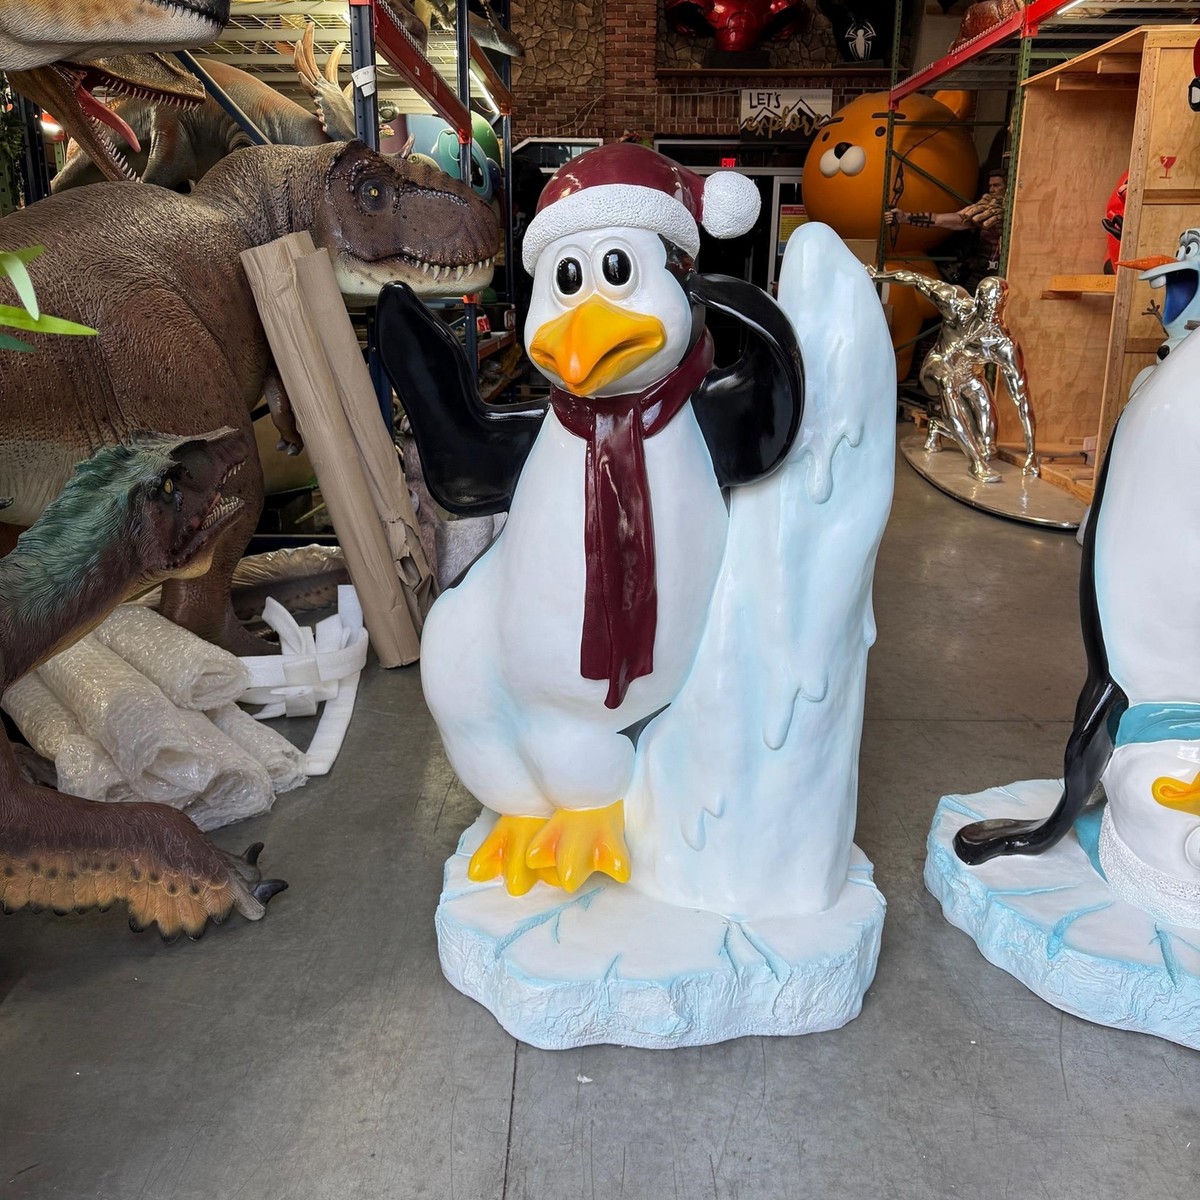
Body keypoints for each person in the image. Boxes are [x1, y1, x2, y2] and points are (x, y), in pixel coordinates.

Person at [866, 265, 1037, 483]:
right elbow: (916, 280)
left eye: (996, 301)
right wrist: (878, 275)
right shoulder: (954, 302)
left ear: (1003, 303)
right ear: (978, 297)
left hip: (969, 377)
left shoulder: (1003, 344)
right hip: (938, 365)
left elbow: (1022, 397)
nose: (990, 306)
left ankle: (939, 427)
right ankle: (976, 464)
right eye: (986, 299)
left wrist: (1032, 455)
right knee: (947, 381)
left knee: (988, 447)